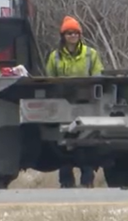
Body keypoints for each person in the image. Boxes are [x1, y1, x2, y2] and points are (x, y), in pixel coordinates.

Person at [45, 15, 105, 188]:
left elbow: (98, 75)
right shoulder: (54, 56)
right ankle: (66, 181)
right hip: (63, 104)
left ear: (80, 35)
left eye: (75, 33)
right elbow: (50, 78)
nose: (72, 36)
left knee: (86, 143)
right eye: (68, 33)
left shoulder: (90, 54)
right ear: (63, 36)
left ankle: (87, 181)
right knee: (63, 143)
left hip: (87, 103)